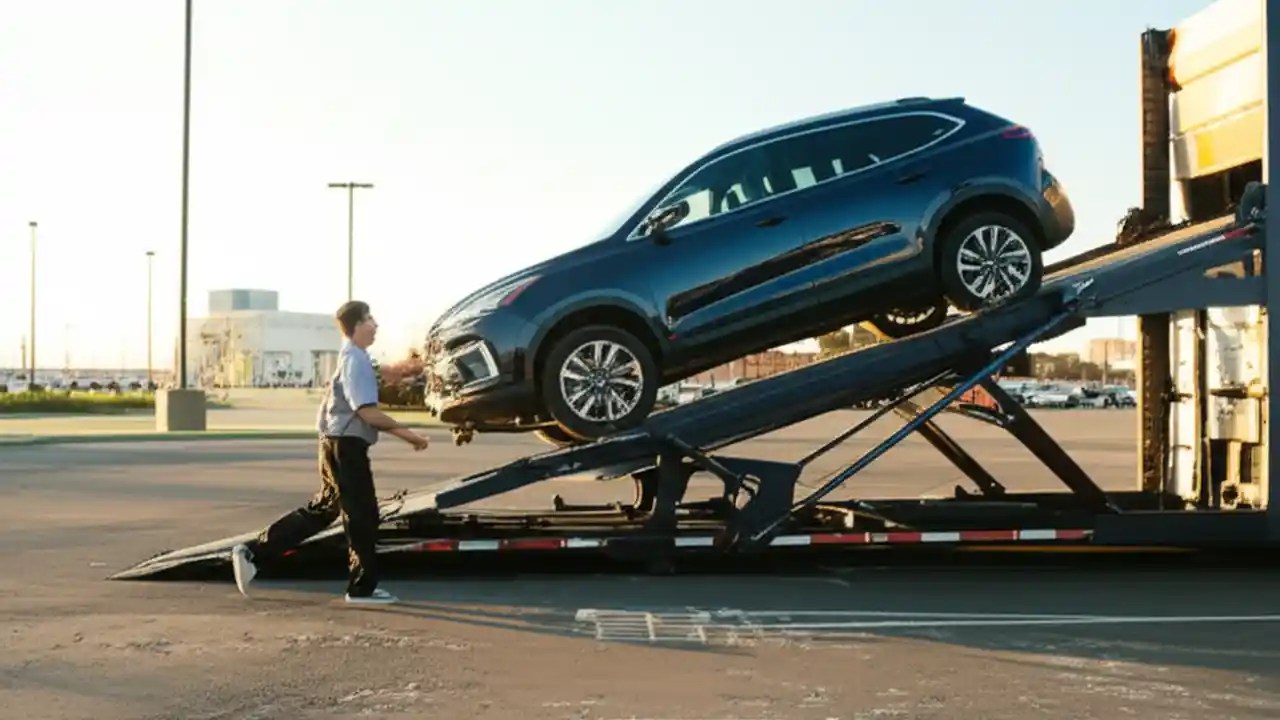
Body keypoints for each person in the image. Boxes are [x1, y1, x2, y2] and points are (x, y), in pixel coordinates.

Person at [230, 300, 430, 604]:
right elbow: (367, 412)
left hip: (335, 442)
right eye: (370, 319)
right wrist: (411, 436)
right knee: (362, 515)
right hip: (345, 446)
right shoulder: (356, 359)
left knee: (325, 509)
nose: (376, 325)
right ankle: (362, 588)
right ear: (357, 326)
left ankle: (254, 553)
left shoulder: (352, 356)